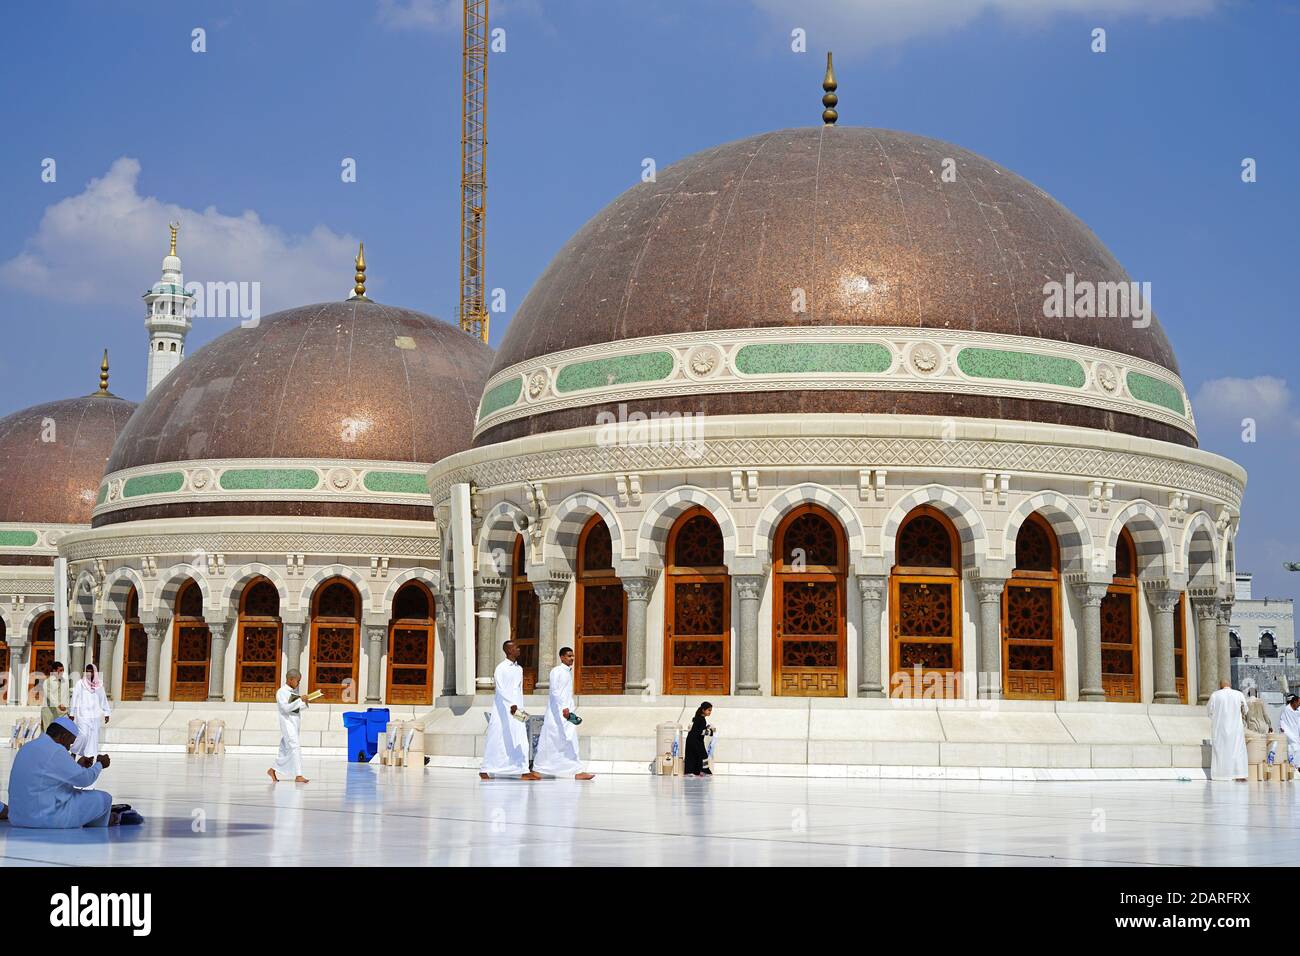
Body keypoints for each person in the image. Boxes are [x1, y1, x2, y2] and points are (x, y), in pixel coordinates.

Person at [6, 717, 139, 828]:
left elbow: (47, 776)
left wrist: (77, 766)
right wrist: (100, 764)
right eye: (70, 742)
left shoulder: (28, 747)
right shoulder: (56, 749)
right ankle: (109, 821)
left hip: (18, 818)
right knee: (103, 798)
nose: (69, 747)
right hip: (44, 819)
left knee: (75, 796)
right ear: (63, 736)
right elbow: (84, 780)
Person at [479, 640, 540, 780]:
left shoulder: (519, 668)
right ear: (509, 651)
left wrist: (519, 707)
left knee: (520, 737)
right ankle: (486, 768)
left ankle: (523, 769)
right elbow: (500, 689)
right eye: (516, 648)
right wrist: (511, 705)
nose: (519, 649)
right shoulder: (501, 668)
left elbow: (519, 690)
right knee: (498, 738)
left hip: (517, 710)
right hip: (503, 711)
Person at [533, 647, 595, 780]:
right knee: (550, 742)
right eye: (568, 656)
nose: (571, 658)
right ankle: (538, 769)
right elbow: (554, 691)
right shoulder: (557, 671)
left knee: (570, 741)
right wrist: (564, 707)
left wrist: (568, 709)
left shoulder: (567, 672)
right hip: (557, 714)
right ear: (561, 657)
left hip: (566, 714)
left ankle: (576, 771)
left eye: (572, 656)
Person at [268, 669, 310, 783]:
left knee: (285, 751)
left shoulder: (293, 693)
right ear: (290, 679)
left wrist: (305, 702)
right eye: (298, 681)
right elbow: (285, 708)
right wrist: (299, 700)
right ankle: (298, 775)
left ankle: (272, 770)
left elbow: (298, 707)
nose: (298, 683)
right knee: (295, 747)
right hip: (287, 725)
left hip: (294, 724)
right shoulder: (281, 692)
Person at [1207, 679, 1248, 781]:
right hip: (1236, 729)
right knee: (1237, 751)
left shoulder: (1215, 695)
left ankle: (1221, 775)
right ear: (1230, 685)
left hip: (1220, 729)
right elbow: (1245, 710)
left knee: (1221, 752)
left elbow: (1209, 711)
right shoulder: (1239, 694)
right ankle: (1239, 774)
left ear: (1220, 686)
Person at [69, 664, 110, 760]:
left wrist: (106, 712)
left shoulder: (99, 684)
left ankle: (89, 758)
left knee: (92, 737)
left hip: (95, 716)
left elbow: (103, 699)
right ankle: (74, 752)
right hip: (82, 714)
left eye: (91, 671)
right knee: (83, 735)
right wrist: (72, 713)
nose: (88, 673)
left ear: (95, 672)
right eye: (87, 671)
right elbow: (74, 698)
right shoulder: (80, 683)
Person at [684, 701, 713, 776]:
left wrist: (707, 728)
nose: (710, 712)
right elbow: (701, 731)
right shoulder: (701, 719)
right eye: (709, 710)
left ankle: (691, 771)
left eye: (711, 710)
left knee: (693, 755)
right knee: (703, 755)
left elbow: (698, 729)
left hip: (694, 740)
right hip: (695, 740)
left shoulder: (699, 718)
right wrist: (710, 732)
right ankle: (704, 771)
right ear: (703, 710)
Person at [40, 661, 70, 732]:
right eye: (60, 670)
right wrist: (58, 704)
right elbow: (49, 695)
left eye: (63, 670)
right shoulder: (47, 682)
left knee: (60, 732)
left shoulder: (65, 682)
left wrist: (68, 710)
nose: (62, 672)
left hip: (62, 712)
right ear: (54, 671)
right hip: (49, 711)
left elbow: (67, 696)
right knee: (48, 732)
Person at [1276, 694, 1300, 765]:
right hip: (1290, 740)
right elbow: (1282, 724)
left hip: (1296, 738)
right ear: (1294, 702)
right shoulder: (1286, 710)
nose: (1299, 705)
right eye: (1298, 703)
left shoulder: (1297, 711)